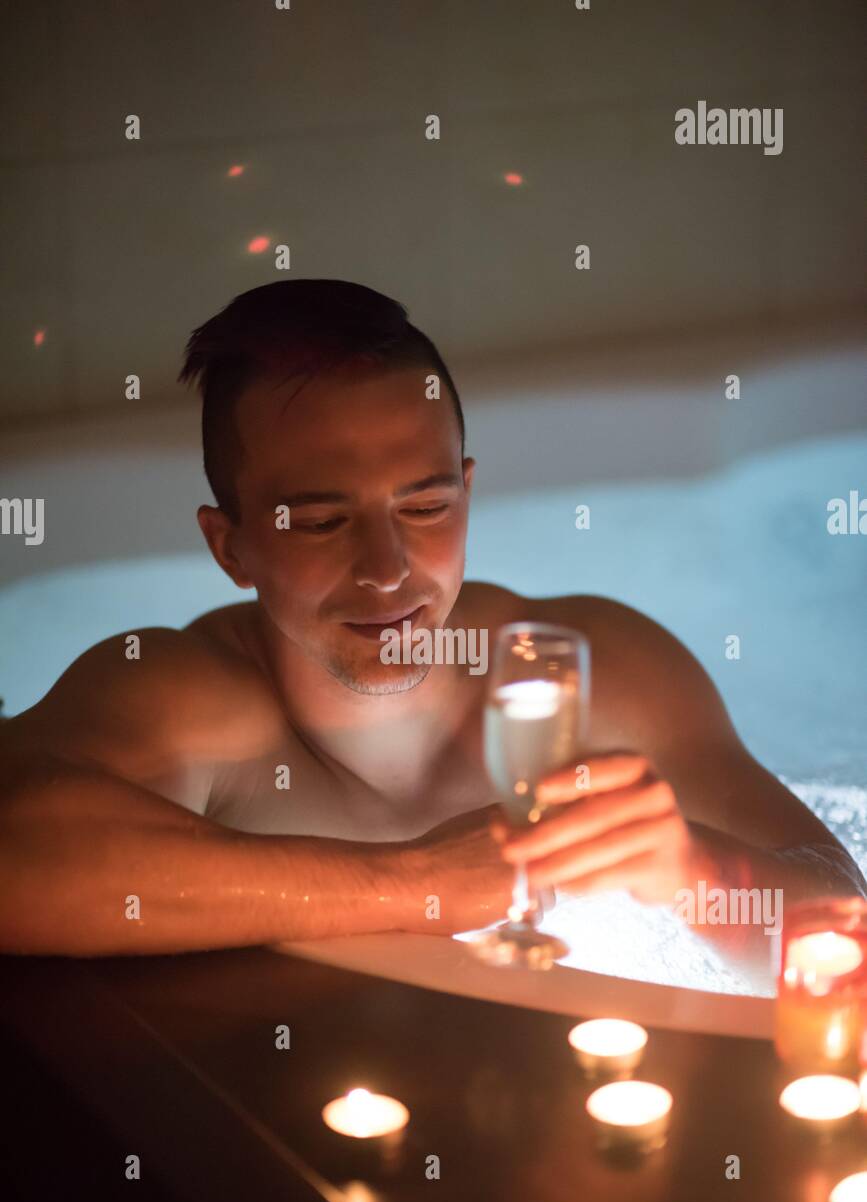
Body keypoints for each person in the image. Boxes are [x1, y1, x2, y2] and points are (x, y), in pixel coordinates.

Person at [1, 279, 862, 957]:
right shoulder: (186, 695)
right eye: (324, 521)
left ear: (469, 493)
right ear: (231, 548)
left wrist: (693, 871)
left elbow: (841, 916)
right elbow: (17, 853)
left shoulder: (589, 673)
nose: (386, 571)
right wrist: (419, 885)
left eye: (424, 508)